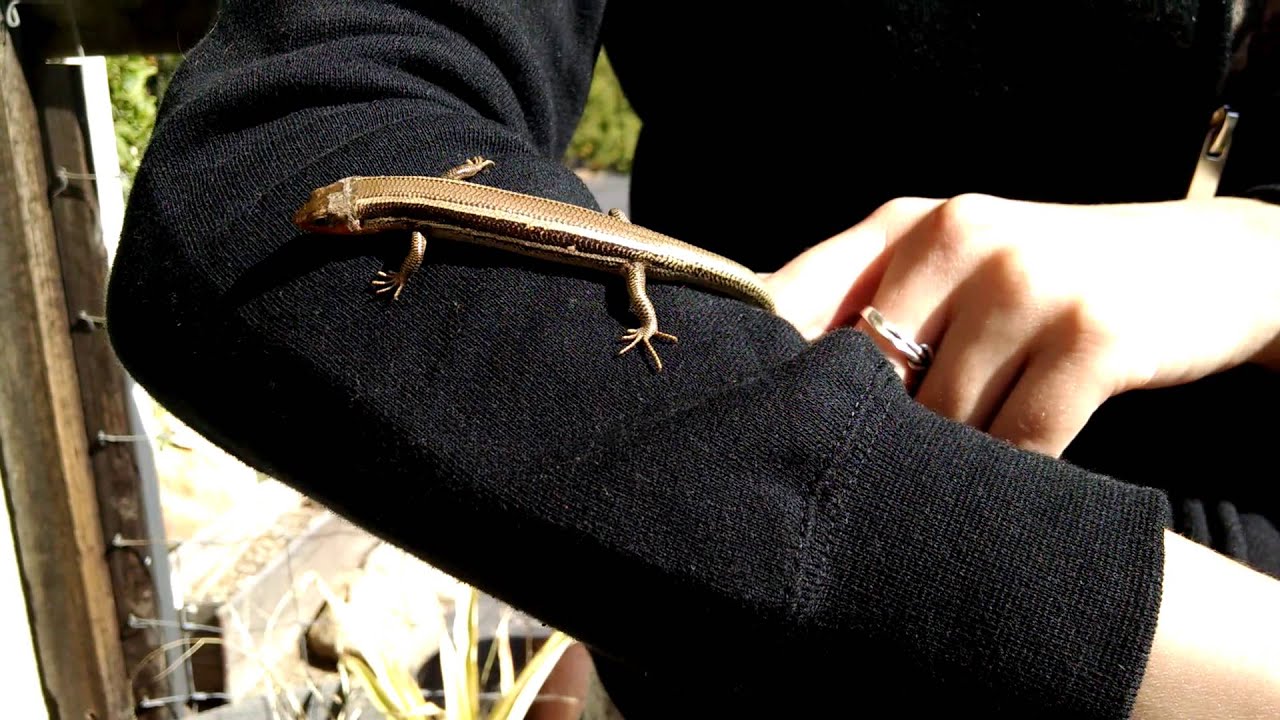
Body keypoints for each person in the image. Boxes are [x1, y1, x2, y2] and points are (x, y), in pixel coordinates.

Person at [103, 0, 1280, 717]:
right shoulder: (373, 202)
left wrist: (1260, 254)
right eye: (345, 226)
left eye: (344, 225)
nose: (339, 228)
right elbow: (266, 159)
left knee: (643, 296)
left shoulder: (399, 225)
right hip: (717, 679)